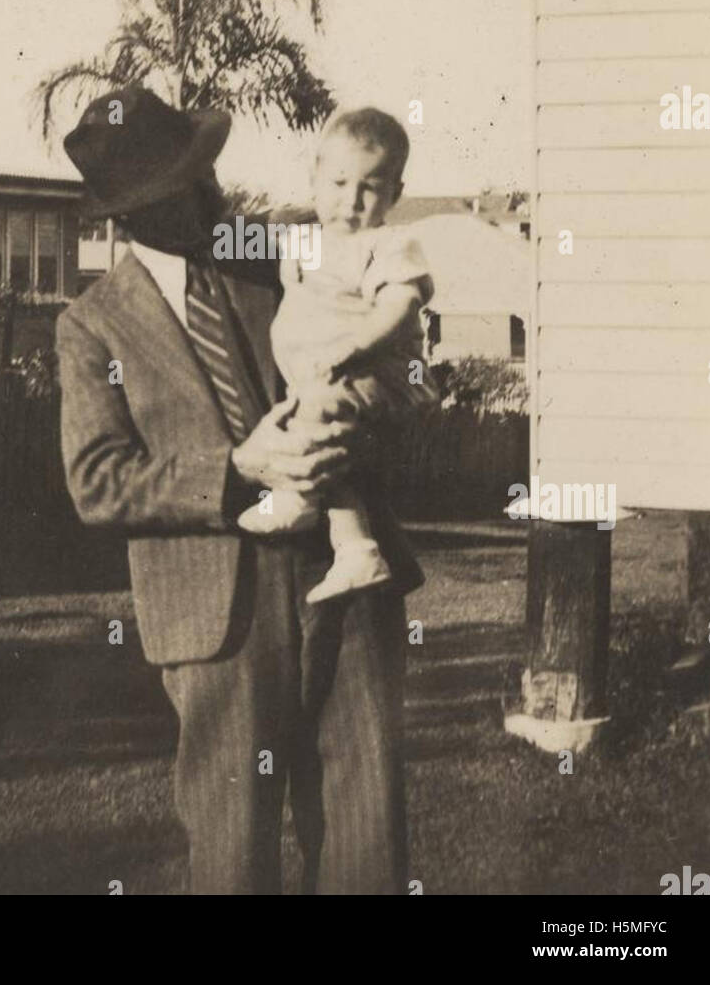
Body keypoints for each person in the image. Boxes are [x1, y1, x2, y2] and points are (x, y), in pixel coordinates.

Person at [57, 86, 425, 895]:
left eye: (203, 176)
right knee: (234, 859)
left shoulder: (286, 256)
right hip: (216, 620)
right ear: (129, 214)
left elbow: (403, 372)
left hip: (348, 583)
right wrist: (237, 468)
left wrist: (354, 417)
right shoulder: (94, 323)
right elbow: (97, 481)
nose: (206, 197)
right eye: (179, 190)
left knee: (369, 844)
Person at [238, 107, 438, 603]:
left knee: (318, 422)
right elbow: (252, 238)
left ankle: (298, 499)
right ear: (314, 180)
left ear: (395, 194)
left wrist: (355, 344)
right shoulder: (306, 240)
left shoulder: (389, 243)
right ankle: (356, 551)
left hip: (376, 373)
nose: (351, 201)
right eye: (339, 183)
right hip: (327, 383)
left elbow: (400, 303)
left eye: (370, 187)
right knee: (326, 441)